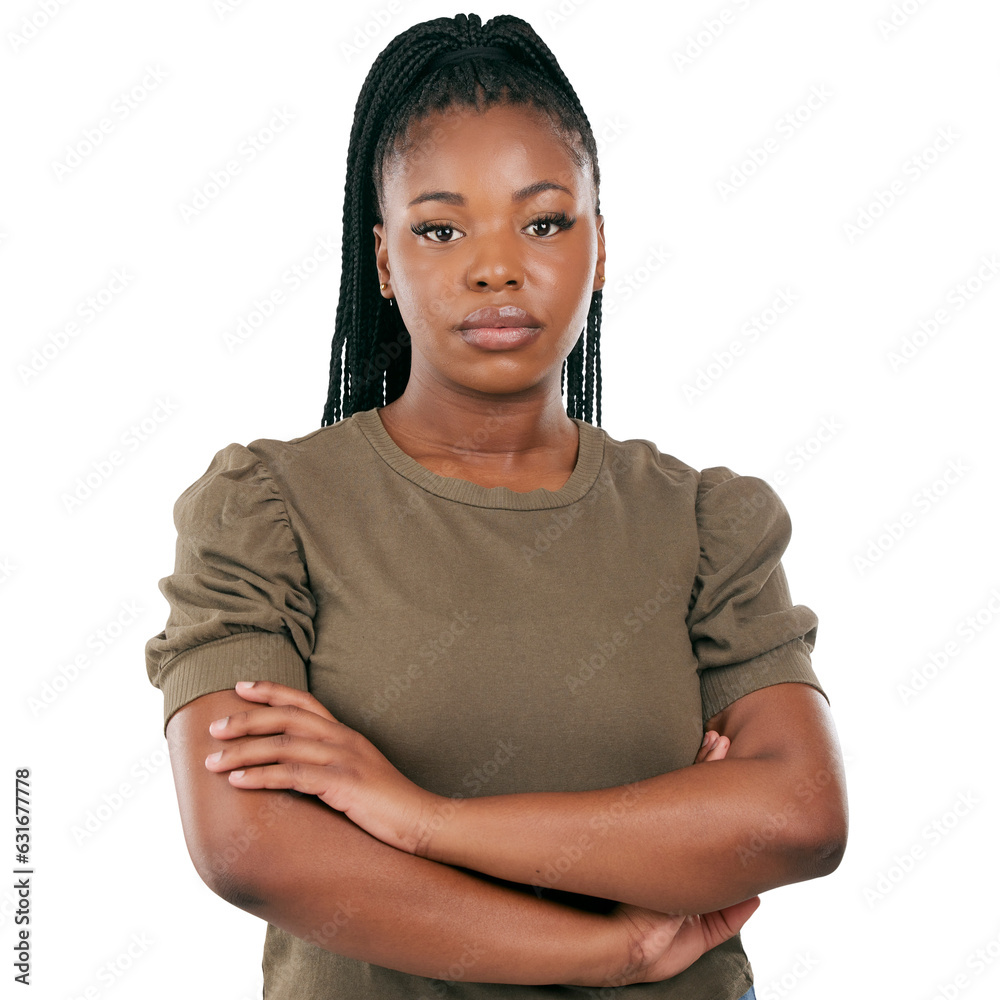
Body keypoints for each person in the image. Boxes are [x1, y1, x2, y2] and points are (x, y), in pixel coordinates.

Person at [145, 12, 848, 999]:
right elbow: (249, 843)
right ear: (384, 260)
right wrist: (608, 945)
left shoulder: (703, 522)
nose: (495, 265)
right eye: (440, 227)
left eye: (545, 220)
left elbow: (797, 817)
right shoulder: (268, 511)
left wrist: (415, 818)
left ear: (598, 247)